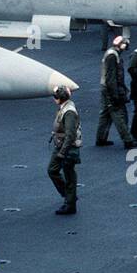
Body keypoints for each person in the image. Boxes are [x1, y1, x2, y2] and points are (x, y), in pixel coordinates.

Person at [97, 35, 136, 148]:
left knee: (105, 114)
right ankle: (128, 140)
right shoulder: (113, 56)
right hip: (111, 89)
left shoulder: (111, 53)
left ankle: (101, 139)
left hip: (106, 88)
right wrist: (115, 94)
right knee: (119, 114)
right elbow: (111, 78)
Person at [48, 85, 82, 214]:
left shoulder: (69, 112)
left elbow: (70, 135)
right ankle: (70, 196)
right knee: (53, 170)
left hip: (67, 148)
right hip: (61, 146)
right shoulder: (65, 108)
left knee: (69, 176)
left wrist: (62, 152)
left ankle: (70, 204)